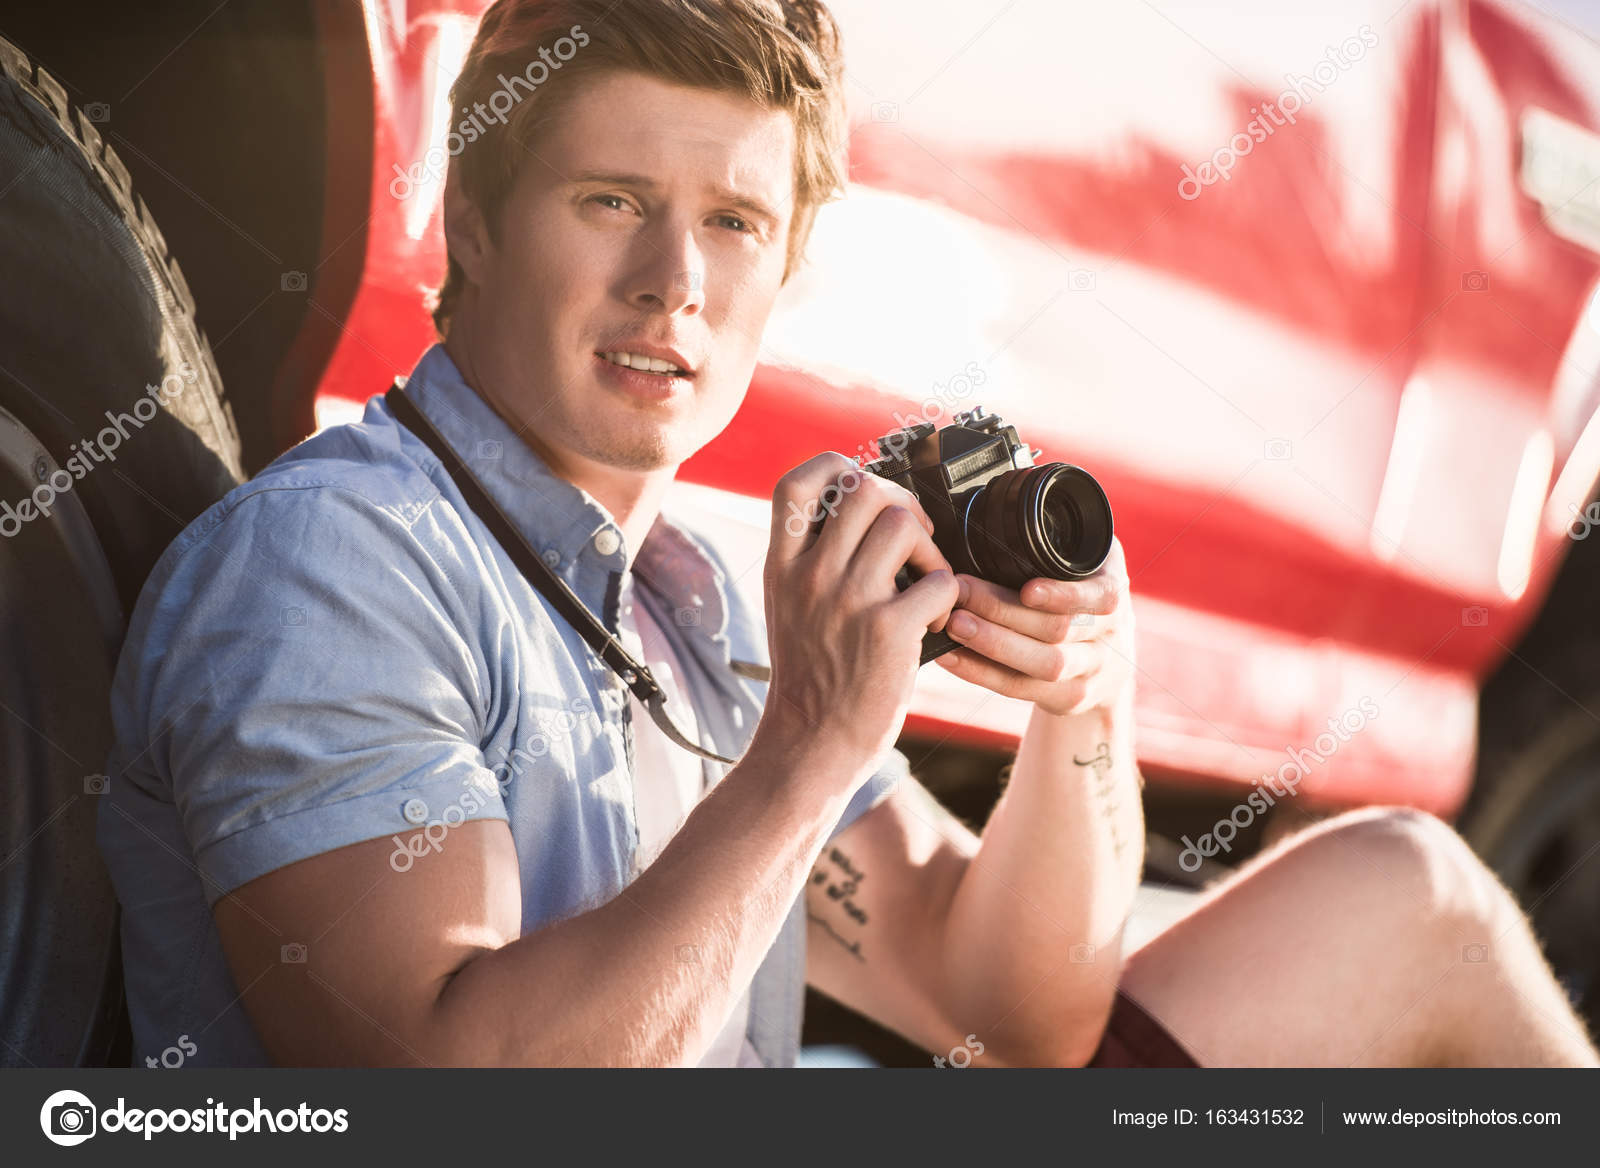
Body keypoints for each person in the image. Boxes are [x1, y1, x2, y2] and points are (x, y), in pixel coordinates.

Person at [98, 0, 1597, 1068]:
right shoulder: (333, 563)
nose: (673, 280)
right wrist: (804, 750)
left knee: (1413, 895)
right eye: (610, 198)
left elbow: (1010, 1013)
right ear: (472, 224)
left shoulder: (699, 604)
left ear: (790, 264)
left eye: (735, 223)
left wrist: (1086, 708)